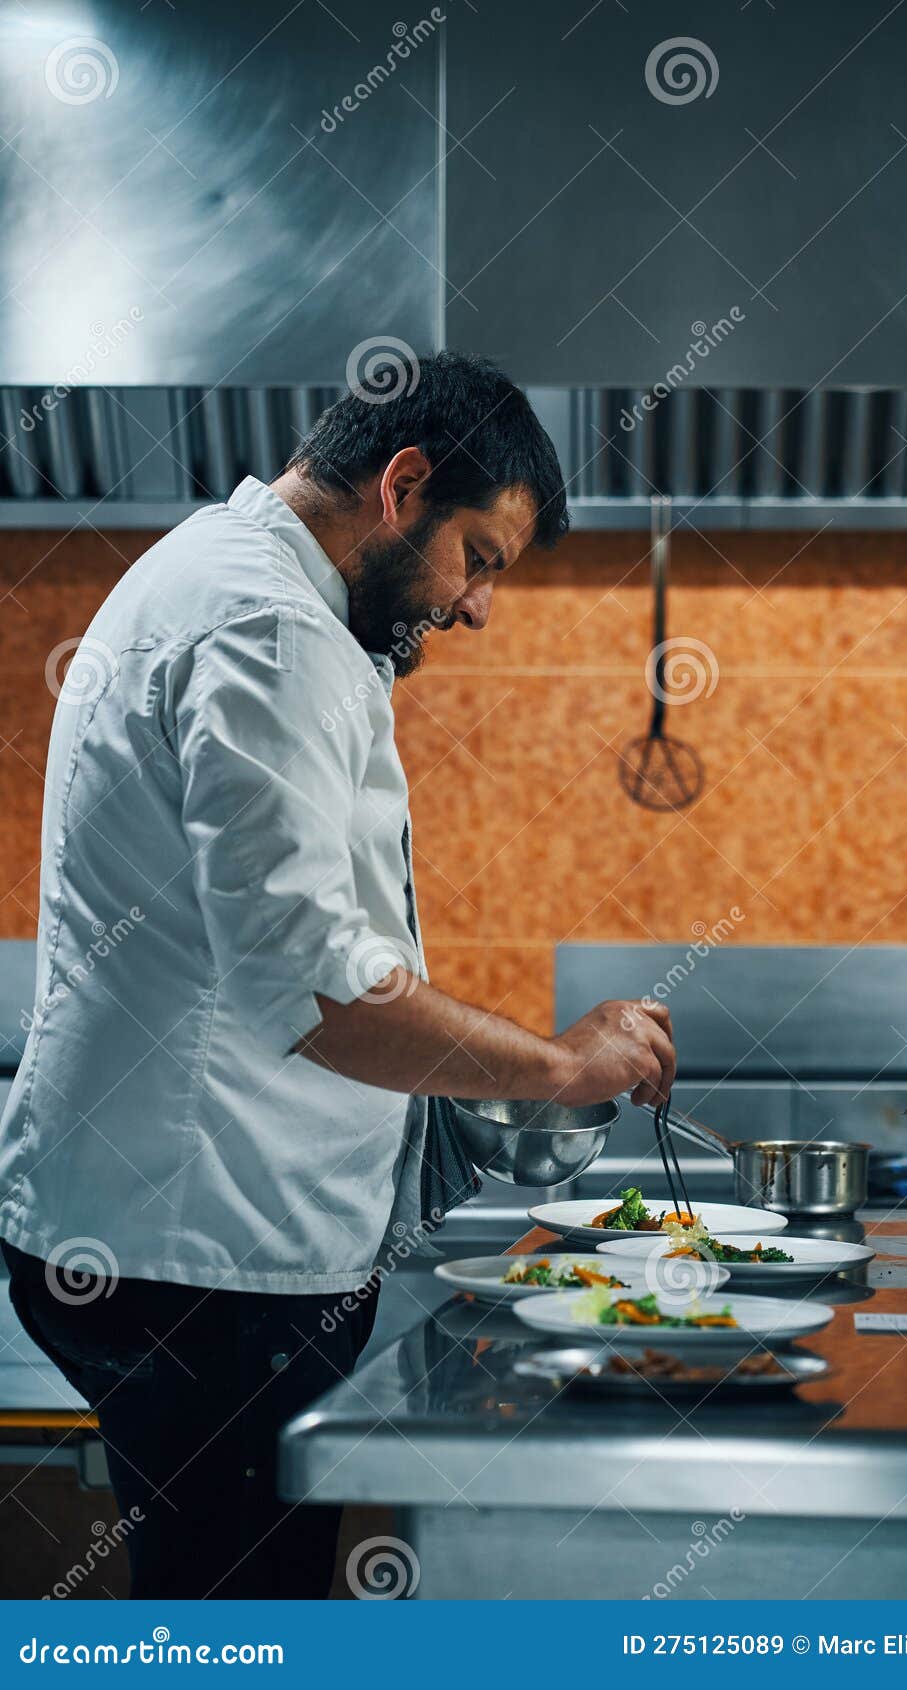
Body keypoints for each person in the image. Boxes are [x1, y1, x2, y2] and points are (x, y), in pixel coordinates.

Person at [0, 351, 675, 1598]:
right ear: (402, 483)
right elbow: (313, 986)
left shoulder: (240, 581)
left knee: (228, 1608)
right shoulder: (267, 627)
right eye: (479, 558)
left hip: (188, 1243)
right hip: (203, 1260)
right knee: (238, 1624)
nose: (478, 609)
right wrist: (564, 1065)